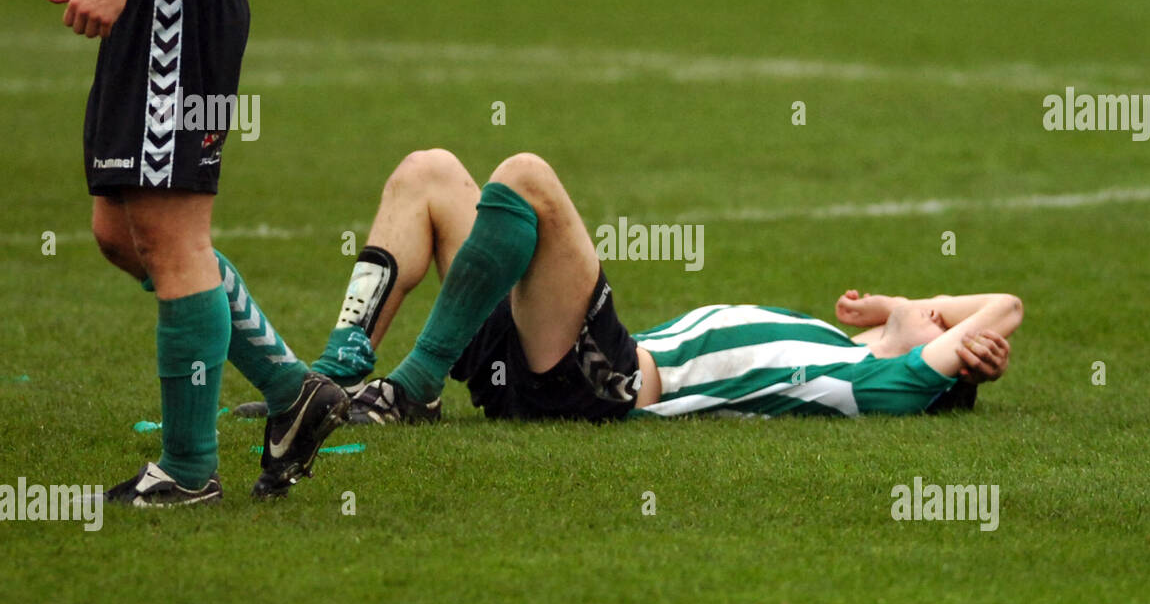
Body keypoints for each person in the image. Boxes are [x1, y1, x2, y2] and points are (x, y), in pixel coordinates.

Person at [26, 0, 349, 506]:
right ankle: (296, 394)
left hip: (172, 6)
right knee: (120, 233)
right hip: (157, 2)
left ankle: (189, 469)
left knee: (173, 241)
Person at [242, 149, 1018, 425]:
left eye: (941, 317)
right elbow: (965, 313)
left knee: (527, 180)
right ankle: (330, 381)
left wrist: (948, 333)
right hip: (556, 361)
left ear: (944, 361)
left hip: (600, 384)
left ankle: (411, 390)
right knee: (430, 173)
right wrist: (892, 308)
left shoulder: (881, 384)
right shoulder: (839, 343)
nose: (934, 304)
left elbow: (1007, 306)